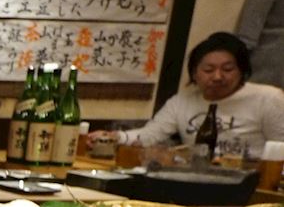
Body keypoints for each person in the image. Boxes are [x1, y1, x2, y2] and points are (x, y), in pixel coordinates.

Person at [90, 32, 284, 162]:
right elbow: (151, 135)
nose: (218, 76)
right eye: (209, 69)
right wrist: (115, 137)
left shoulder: (268, 98)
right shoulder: (183, 101)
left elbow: (281, 148)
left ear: (242, 71)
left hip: (252, 183)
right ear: (194, 73)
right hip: (197, 178)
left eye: (227, 69)